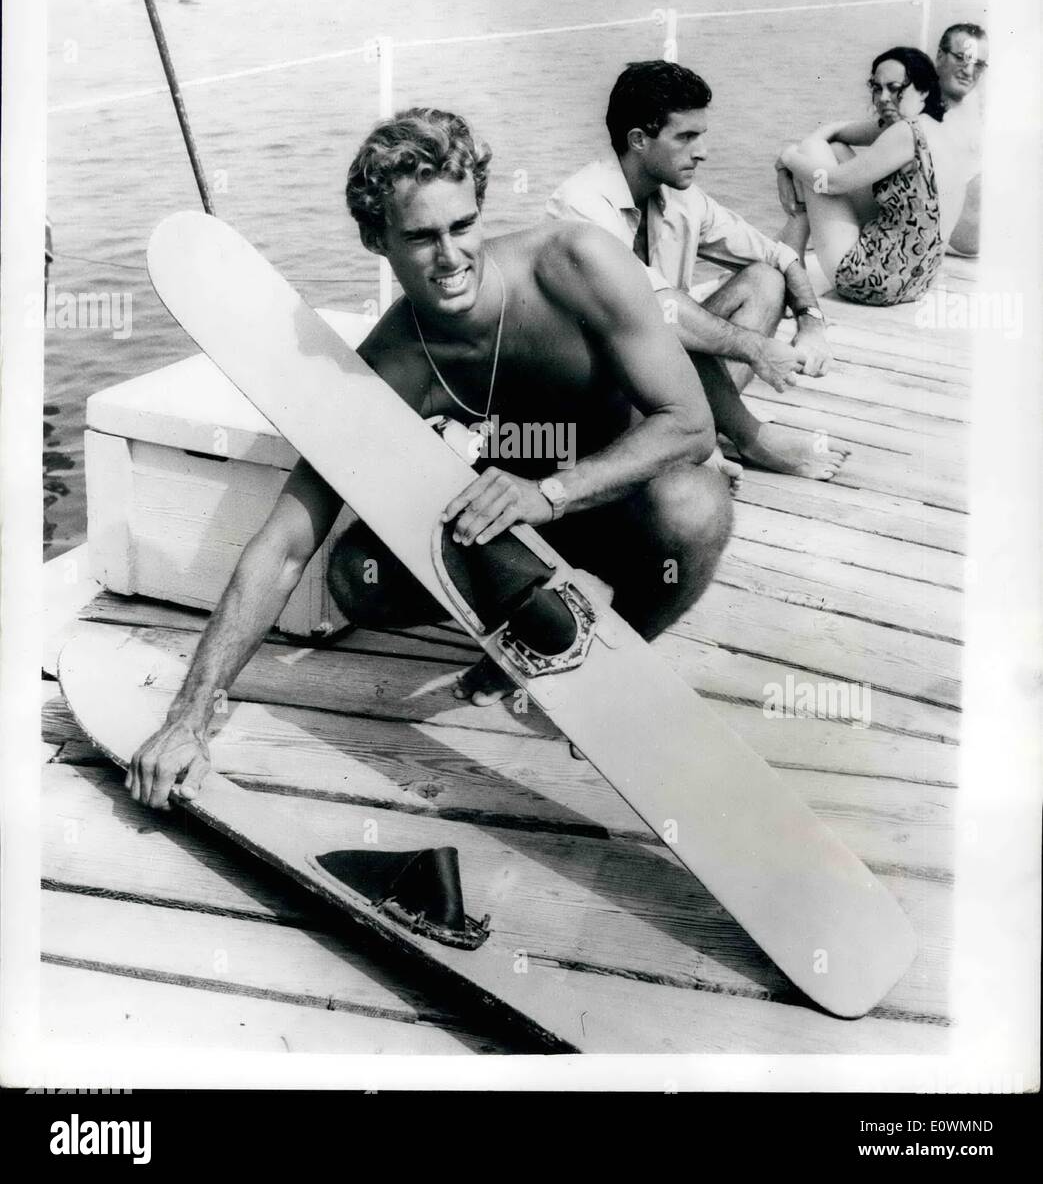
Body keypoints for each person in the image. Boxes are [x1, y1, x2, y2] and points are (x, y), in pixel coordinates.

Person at [126, 107, 734, 809]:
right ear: (375, 240)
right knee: (358, 577)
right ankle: (524, 631)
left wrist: (554, 493)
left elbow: (691, 426)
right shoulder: (391, 364)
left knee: (695, 506)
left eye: (462, 226)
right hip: (513, 515)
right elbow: (285, 546)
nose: (450, 257)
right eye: (420, 237)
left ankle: (616, 655)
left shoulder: (576, 262)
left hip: (620, 501)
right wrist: (189, 717)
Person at [547, 60, 845, 481]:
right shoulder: (580, 204)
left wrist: (811, 322)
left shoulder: (683, 198)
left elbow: (779, 256)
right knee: (669, 319)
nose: (702, 151)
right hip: (596, 396)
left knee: (764, 279)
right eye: (686, 137)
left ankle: (701, 432)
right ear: (638, 140)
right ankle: (744, 435)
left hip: (662, 382)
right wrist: (757, 350)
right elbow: (651, 310)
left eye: (701, 135)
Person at [774, 46, 977, 306]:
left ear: (924, 90)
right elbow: (840, 134)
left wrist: (788, 158)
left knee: (811, 154)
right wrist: (794, 166)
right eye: (877, 88)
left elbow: (831, 183)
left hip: (868, 281)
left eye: (895, 88)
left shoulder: (905, 133)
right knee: (831, 150)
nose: (883, 97)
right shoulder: (935, 125)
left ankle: (790, 260)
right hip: (917, 282)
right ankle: (791, 252)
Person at [935, 23, 988, 257]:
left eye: (978, 64)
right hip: (954, 233)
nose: (969, 71)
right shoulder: (919, 103)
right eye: (961, 58)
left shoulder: (973, 100)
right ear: (940, 56)